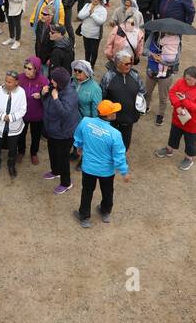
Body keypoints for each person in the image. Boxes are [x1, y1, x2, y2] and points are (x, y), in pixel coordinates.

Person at [72, 99, 131, 228]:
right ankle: (105, 212)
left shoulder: (86, 121)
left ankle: (84, 216)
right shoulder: (115, 134)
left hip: (88, 168)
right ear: (109, 116)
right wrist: (124, 172)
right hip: (106, 171)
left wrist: (78, 146)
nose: (116, 113)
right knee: (108, 191)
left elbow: (78, 136)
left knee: (87, 191)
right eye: (114, 111)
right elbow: (119, 156)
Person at [154, 65, 196, 170]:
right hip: (178, 118)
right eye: (186, 78)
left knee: (190, 141)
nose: (187, 81)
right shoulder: (181, 82)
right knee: (174, 134)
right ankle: (169, 149)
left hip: (193, 122)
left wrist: (184, 101)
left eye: (190, 79)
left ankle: (189, 158)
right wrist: (177, 106)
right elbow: (172, 93)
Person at [40, 66, 80, 192]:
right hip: (52, 129)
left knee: (63, 158)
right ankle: (55, 171)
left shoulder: (70, 94)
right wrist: (43, 94)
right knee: (52, 152)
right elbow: (46, 105)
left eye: (53, 80)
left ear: (60, 82)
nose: (51, 81)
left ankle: (66, 183)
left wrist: (56, 98)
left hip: (64, 133)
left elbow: (65, 113)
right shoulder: (55, 88)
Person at [0, 68, 27, 179]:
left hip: (14, 126)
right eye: (6, 81)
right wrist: (2, 117)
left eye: (9, 82)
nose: (7, 83)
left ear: (16, 82)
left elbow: (23, 110)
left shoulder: (21, 93)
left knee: (13, 147)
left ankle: (11, 165)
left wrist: (10, 118)